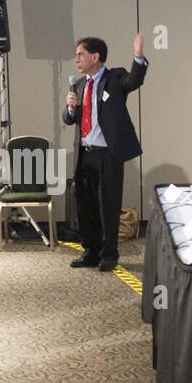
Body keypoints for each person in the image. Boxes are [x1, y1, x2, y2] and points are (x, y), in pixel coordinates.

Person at [61, 33, 149, 272]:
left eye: (80, 54)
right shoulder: (79, 85)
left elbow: (133, 81)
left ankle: (110, 253)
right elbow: (71, 120)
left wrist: (138, 56)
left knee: (107, 205)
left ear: (95, 56)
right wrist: (70, 108)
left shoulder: (114, 77)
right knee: (85, 205)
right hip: (84, 154)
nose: (76, 59)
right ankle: (90, 250)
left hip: (107, 154)